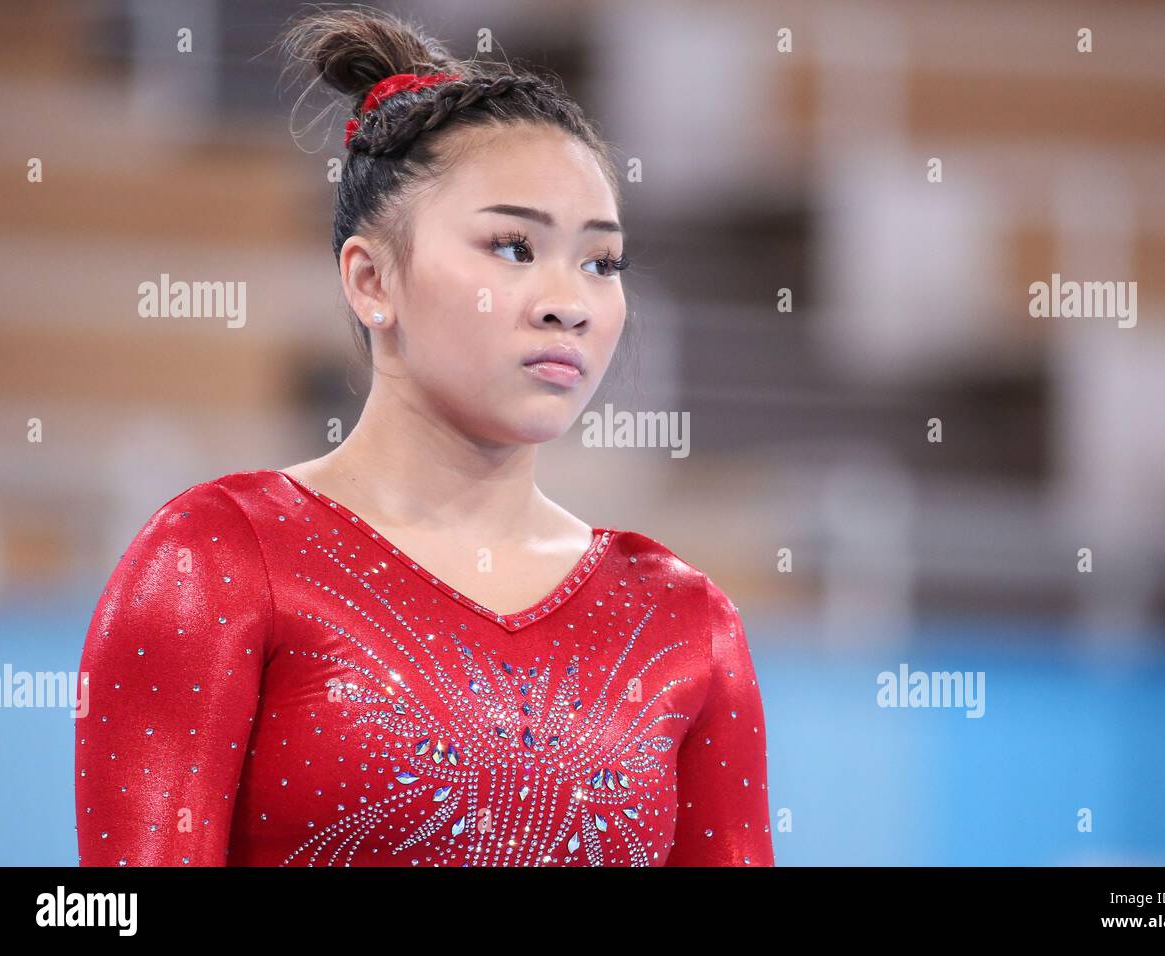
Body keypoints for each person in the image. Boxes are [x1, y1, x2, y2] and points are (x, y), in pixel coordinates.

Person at [74, 6, 773, 867]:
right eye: (513, 247)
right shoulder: (218, 560)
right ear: (373, 279)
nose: (570, 300)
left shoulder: (683, 622)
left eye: (601, 261)